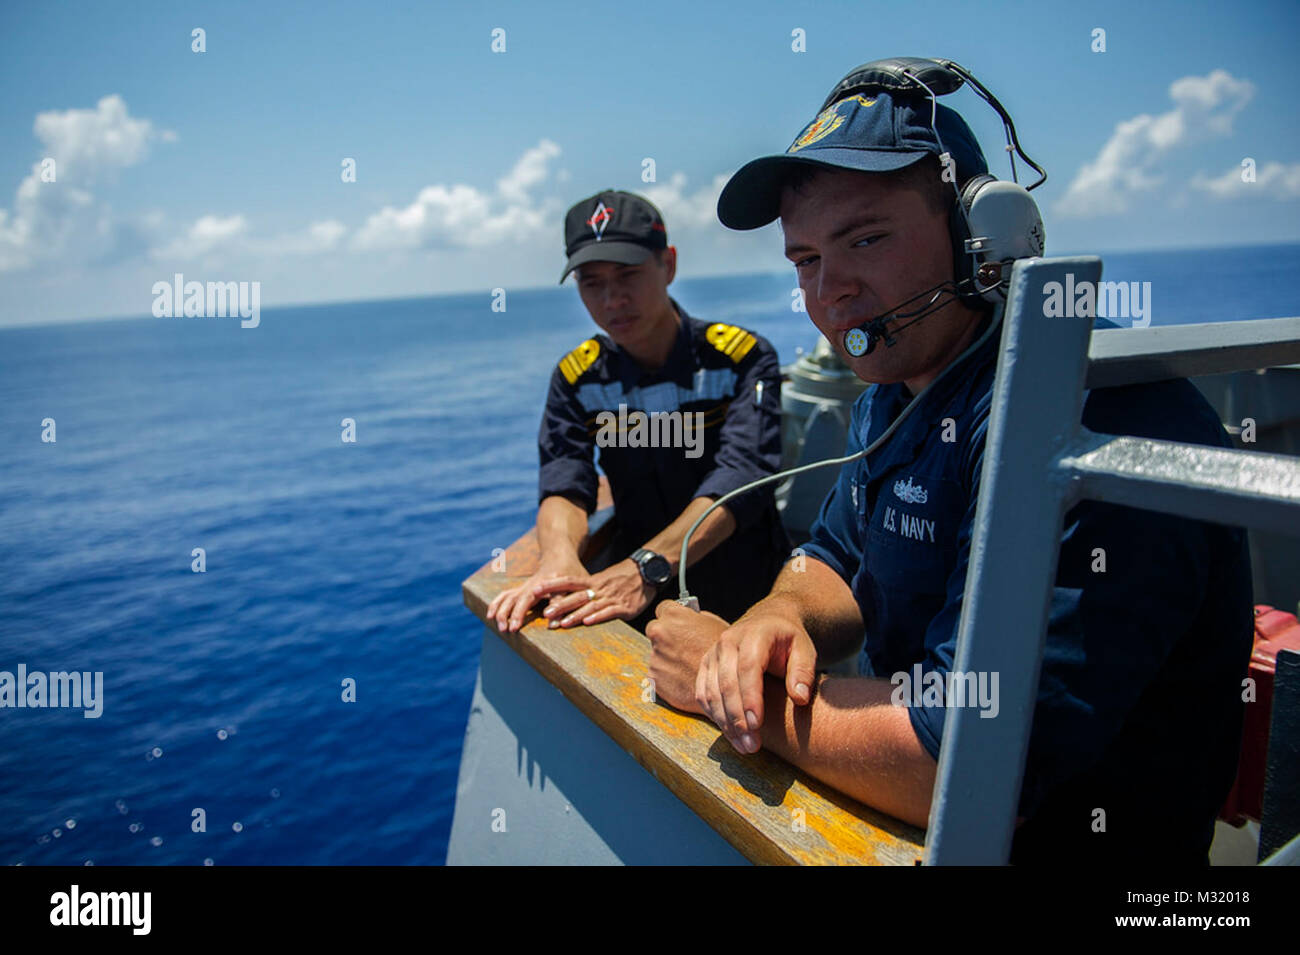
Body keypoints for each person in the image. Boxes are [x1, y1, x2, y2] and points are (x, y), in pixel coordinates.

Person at [645, 84, 1254, 863]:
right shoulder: (901, 384)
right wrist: (781, 615)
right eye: (806, 258)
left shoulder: (1087, 416)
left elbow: (961, 761)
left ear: (979, 237)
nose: (828, 291)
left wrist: (722, 685)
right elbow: (836, 552)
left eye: (864, 240)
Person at [488, 189, 789, 635]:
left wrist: (648, 566)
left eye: (627, 274)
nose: (612, 300)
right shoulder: (577, 379)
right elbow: (565, 482)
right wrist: (558, 558)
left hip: (749, 585)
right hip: (635, 600)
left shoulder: (741, 358)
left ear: (668, 265)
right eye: (592, 283)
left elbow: (742, 477)